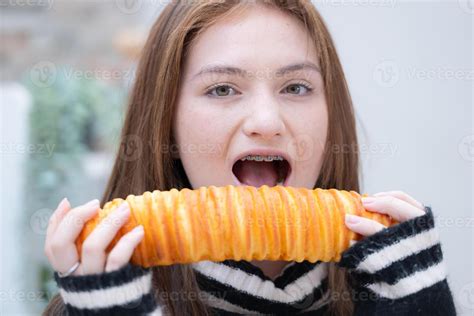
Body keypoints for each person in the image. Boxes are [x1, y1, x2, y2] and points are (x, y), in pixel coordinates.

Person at [43, 1, 456, 315]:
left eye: (296, 87)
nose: (266, 121)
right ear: (165, 119)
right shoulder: (88, 302)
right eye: (222, 89)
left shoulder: (400, 288)